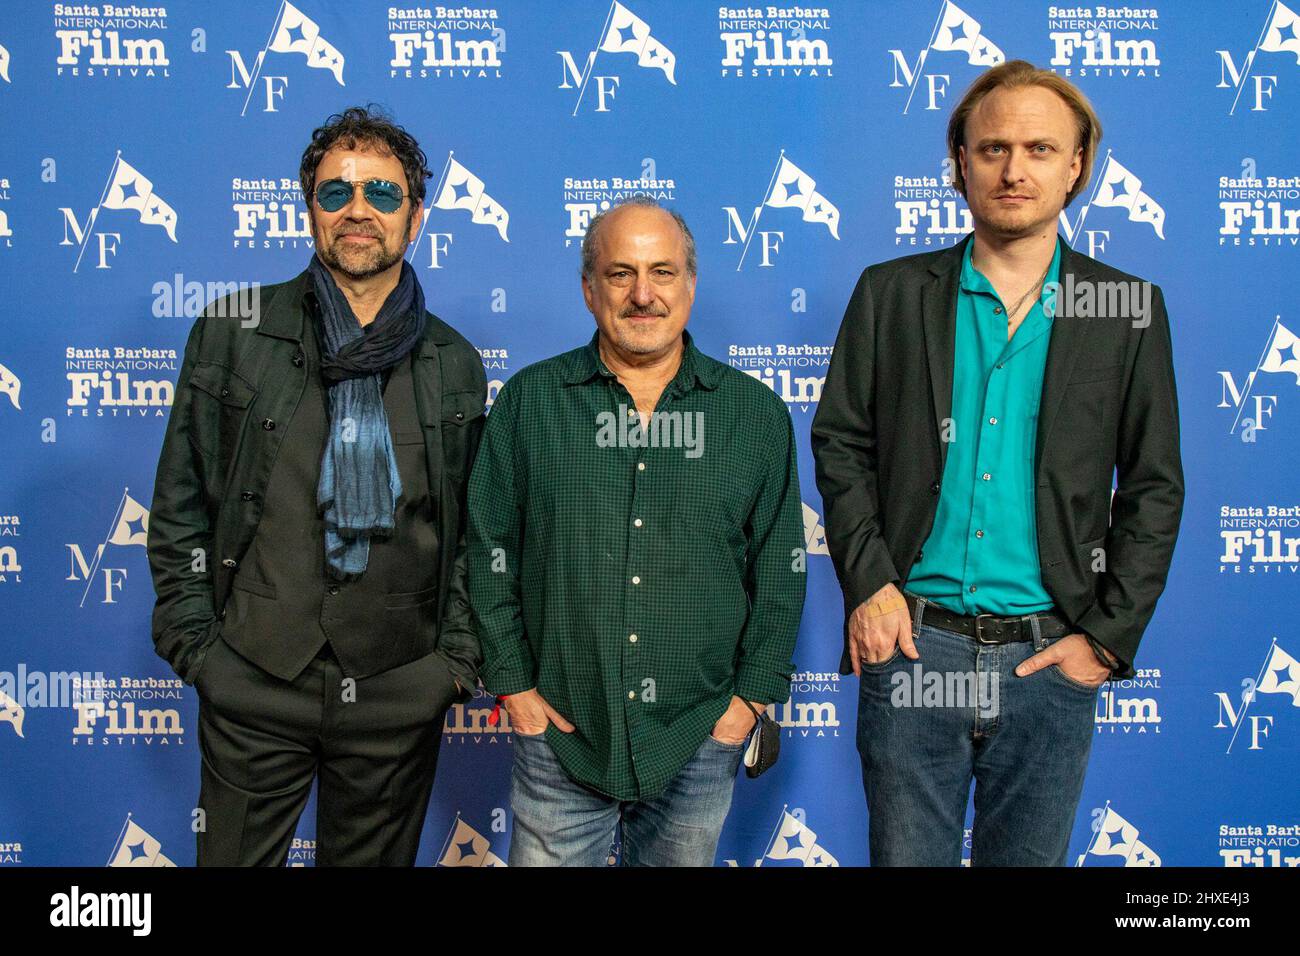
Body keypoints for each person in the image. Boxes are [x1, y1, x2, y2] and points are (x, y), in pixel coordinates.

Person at [811, 61, 1184, 866]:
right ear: (960, 163)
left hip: (1051, 658)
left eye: (1040, 149)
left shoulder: (1125, 309)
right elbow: (841, 442)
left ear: (1077, 166)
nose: (1015, 170)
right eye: (993, 149)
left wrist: (1107, 640)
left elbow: (1154, 486)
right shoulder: (893, 294)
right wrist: (871, 585)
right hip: (915, 649)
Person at [147, 106, 486, 866]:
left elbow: (476, 534)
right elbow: (179, 506)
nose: (358, 210)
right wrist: (201, 649)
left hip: (398, 690)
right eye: (336, 193)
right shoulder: (233, 331)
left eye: (382, 194)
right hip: (254, 680)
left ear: (417, 216)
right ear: (310, 210)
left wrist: (453, 667)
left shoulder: (454, 362)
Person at [467, 197, 806, 866]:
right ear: (589, 288)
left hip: (698, 733)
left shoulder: (754, 416)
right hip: (559, 734)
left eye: (663, 272)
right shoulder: (531, 404)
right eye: (621, 274)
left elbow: (780, 569)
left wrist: (748, 703)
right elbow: (488, 549)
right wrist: (514, 686)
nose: (643, 294)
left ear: (691, 284)